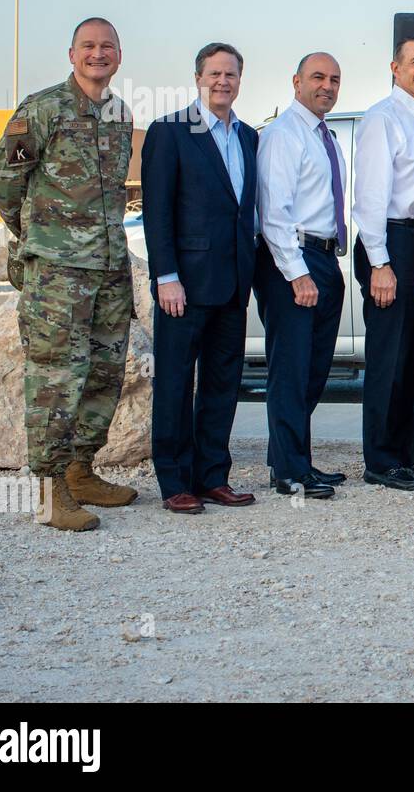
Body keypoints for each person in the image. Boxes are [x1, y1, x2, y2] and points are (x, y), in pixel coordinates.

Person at [0, 17, 139, 531]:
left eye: (108, 47)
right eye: (89, 46)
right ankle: (51, 493)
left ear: (119, 55)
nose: (99, 54)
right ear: (71, 54)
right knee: (55, 376)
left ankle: (82, 470)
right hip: (57, 273)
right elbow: (6, 180)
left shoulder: (119, 114)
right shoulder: (42, 108)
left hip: (109, 268)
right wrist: (37, 239)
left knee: (103, 371)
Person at [141, 42, 259, 514]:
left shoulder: (249, 136)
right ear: (198, 77)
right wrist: (165, 275)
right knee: (174, 382)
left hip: (232, 284)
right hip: (183, 286)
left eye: (231, 74)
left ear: (239, 80)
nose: (222, 82)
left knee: (222, 383)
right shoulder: (169, 132)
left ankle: (212, 476)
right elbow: (157, 212)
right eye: (214, 73)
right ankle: (174, 482)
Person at [254, 52, 349, 499]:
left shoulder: (323, 134)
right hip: (294, 261)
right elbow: (274, 213)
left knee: (312, 372)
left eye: (334, 79)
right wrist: (296, 273)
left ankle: (295, 461)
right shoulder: (283, 134)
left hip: (324, 259)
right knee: (290, 372)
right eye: (317, 77)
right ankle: (289, 472)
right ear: (296, 82)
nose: (326, 86)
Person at [353, 35, 414, 491]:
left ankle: (399, 455)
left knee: (409, 358)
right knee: (388, 358)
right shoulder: (382, 119)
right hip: (388, 242)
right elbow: (369, 197)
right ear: (395, 68)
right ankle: (380, 461)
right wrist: (379, 263)